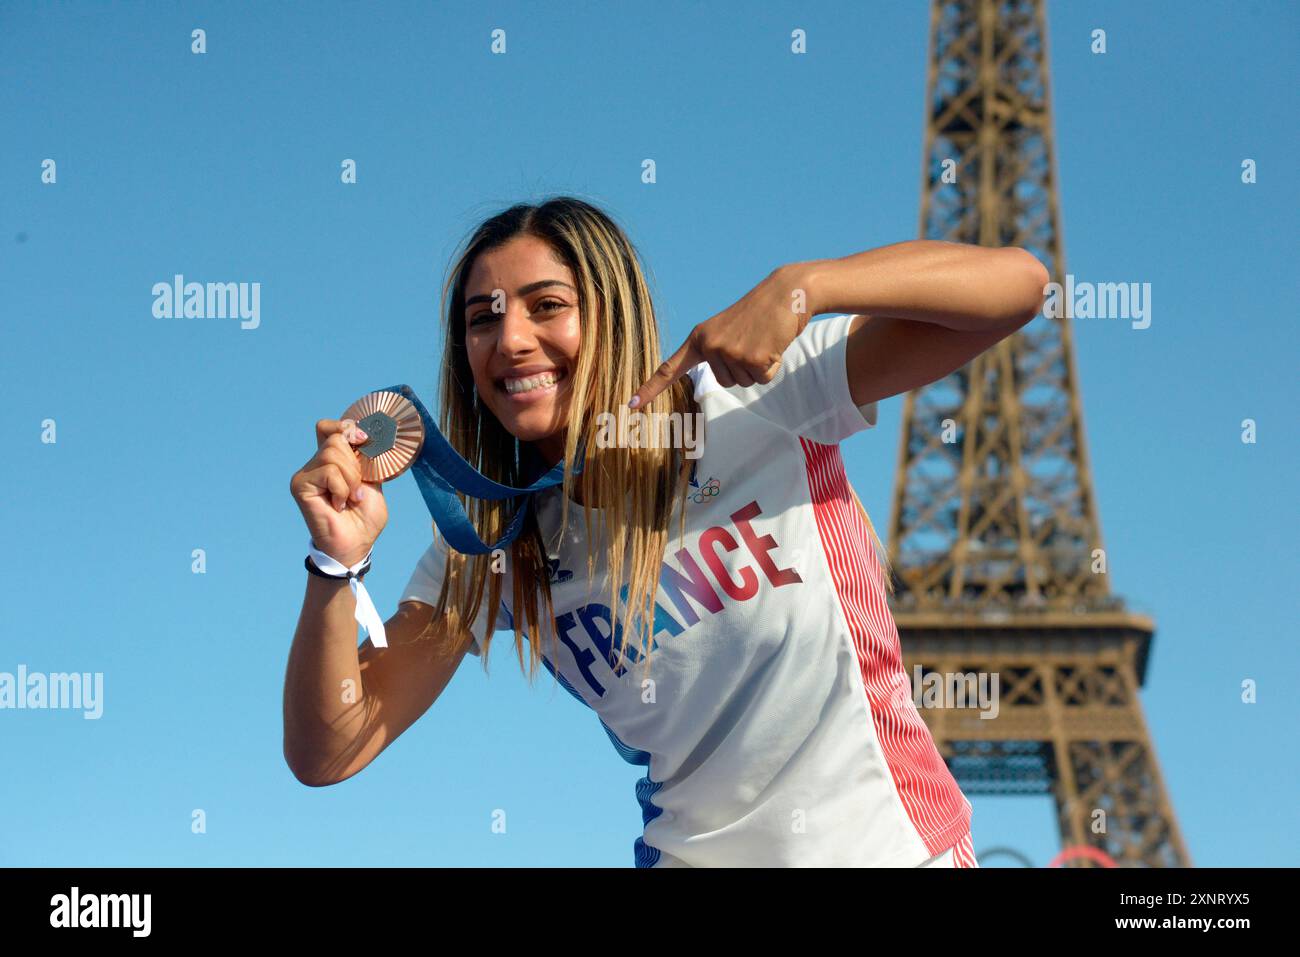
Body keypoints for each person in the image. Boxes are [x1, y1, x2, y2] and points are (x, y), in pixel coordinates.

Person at [284, 196, 1048, 867]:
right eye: (482, 318)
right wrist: (334, 565)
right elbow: (330, 749)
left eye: (546, 305)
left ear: (610, 313)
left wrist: (805, 285)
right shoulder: (486, 544)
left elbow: (1017, 286)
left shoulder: (754, 396)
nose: (509, 338)